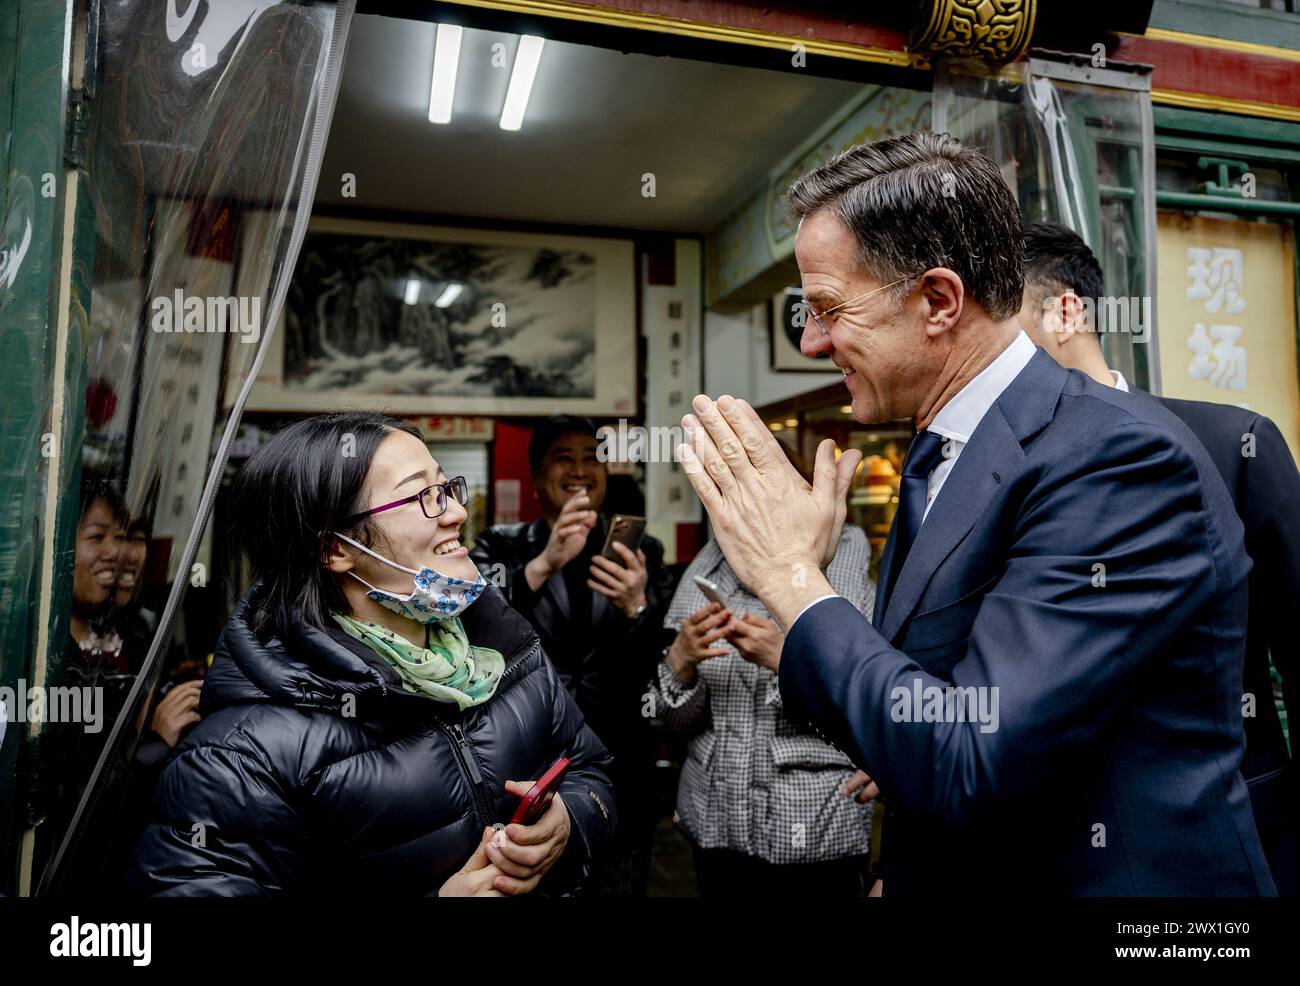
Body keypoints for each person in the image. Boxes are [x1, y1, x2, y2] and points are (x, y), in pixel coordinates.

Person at [675, 132, 1273, 896]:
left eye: (827, 309)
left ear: (937, 301)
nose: (811, 340)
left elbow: (973, 759)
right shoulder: (940, 452)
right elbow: (932, 702)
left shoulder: (1116, 459)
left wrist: (792, 579)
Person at [127, 412, 615, 896]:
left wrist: (569, 822)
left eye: (445, 488)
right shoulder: (238, 756)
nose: (456, 512)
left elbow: (593, 770)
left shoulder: (504, 651)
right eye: (422, 496)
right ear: (334, 549)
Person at [1019, 219, 1298, 895]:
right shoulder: (1001, 484)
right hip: (1053, 857)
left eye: (1002, 318)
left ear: (1066, 311)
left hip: (1231, 844)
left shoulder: (1232, 444)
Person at [471, 415, 666, 895]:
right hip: (526, 757)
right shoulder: (501, 544)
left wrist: (638, 607)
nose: (580, 470)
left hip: (620, 756)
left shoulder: (643, 548)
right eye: (564, 458)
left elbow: (663, 659)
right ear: (537, 477)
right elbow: (471, 628)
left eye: (592, 458)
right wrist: (542, 565)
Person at [654, 517, 876, 897]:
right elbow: (672, 724)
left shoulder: (845, 578)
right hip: (716, 823)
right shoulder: (708, 573)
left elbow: (869, 706)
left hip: (816, 828)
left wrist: (784, 659)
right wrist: (680, 662)